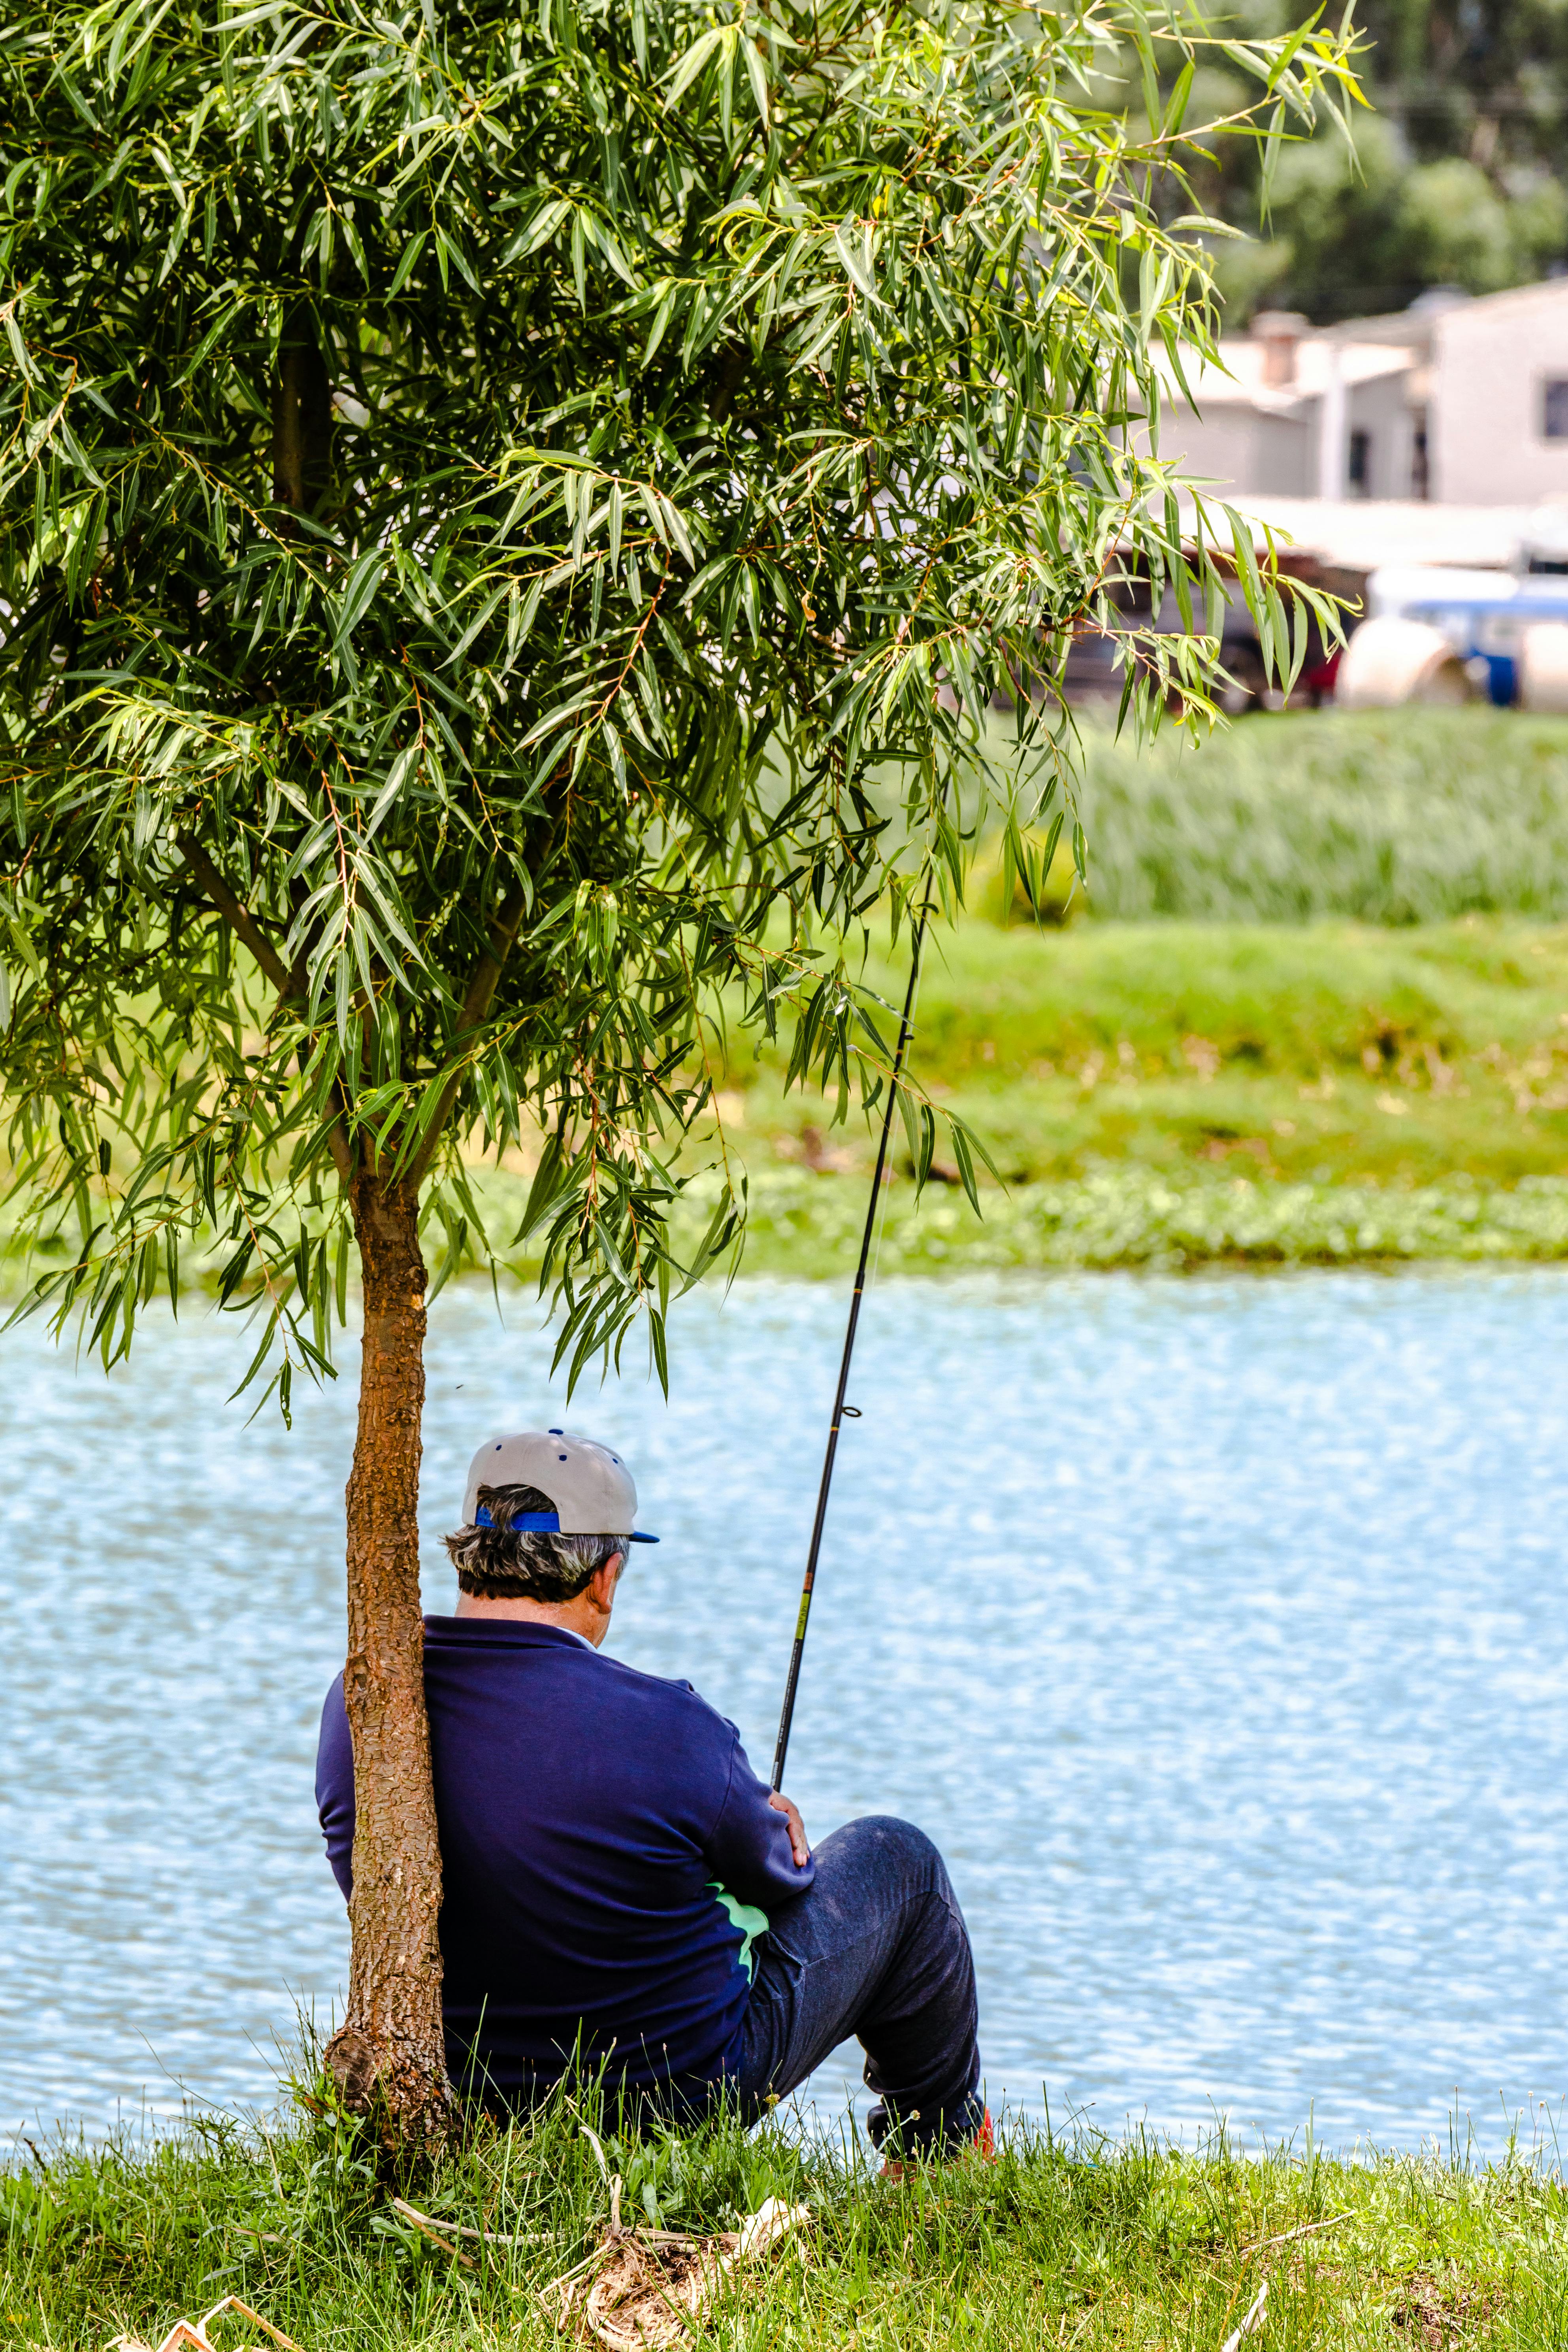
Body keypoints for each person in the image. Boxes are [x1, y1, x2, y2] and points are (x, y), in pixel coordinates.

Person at [316, 1427, 988, 2157]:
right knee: (901, 1862)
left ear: (472, 1552)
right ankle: (940, 2157)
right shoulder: (671, 1723)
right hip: (674, 2095)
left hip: (462, 2087)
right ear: (605, 1574)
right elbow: (783, 1879)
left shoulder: (368, 1706)